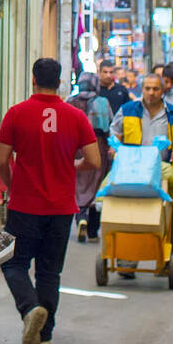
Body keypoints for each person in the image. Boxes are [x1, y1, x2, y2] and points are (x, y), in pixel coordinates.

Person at [0, 59, 100, 344]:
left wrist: (11, 186)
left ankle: (30, 309)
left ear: (33, 80)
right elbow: (94, 161)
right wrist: (72, 165)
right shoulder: (75, 116)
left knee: (13, 263)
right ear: (61, 82)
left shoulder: (16, 114)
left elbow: (1, 161)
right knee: (50, 272)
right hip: (62, 208)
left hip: (25, 205)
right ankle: (44, 337)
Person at [108, 73, 173, 279]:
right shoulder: (128, 110)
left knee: (164, 213)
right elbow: (114, 131)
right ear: (141, 89)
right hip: (131, 168)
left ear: (163, 90)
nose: (151, 93)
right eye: (147, 88)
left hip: (160, 169)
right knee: (129, 213)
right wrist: (115, 147)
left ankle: (163, 259)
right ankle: (127, 260)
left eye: (155, 89)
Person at [67, 73, 112, 243]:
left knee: (77, 183)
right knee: (96, 183)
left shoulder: (70, 102)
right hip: (97, 144)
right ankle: (93, 231)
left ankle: (81, 217)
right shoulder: (102, 102)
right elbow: (109, 125)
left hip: (74, 146)